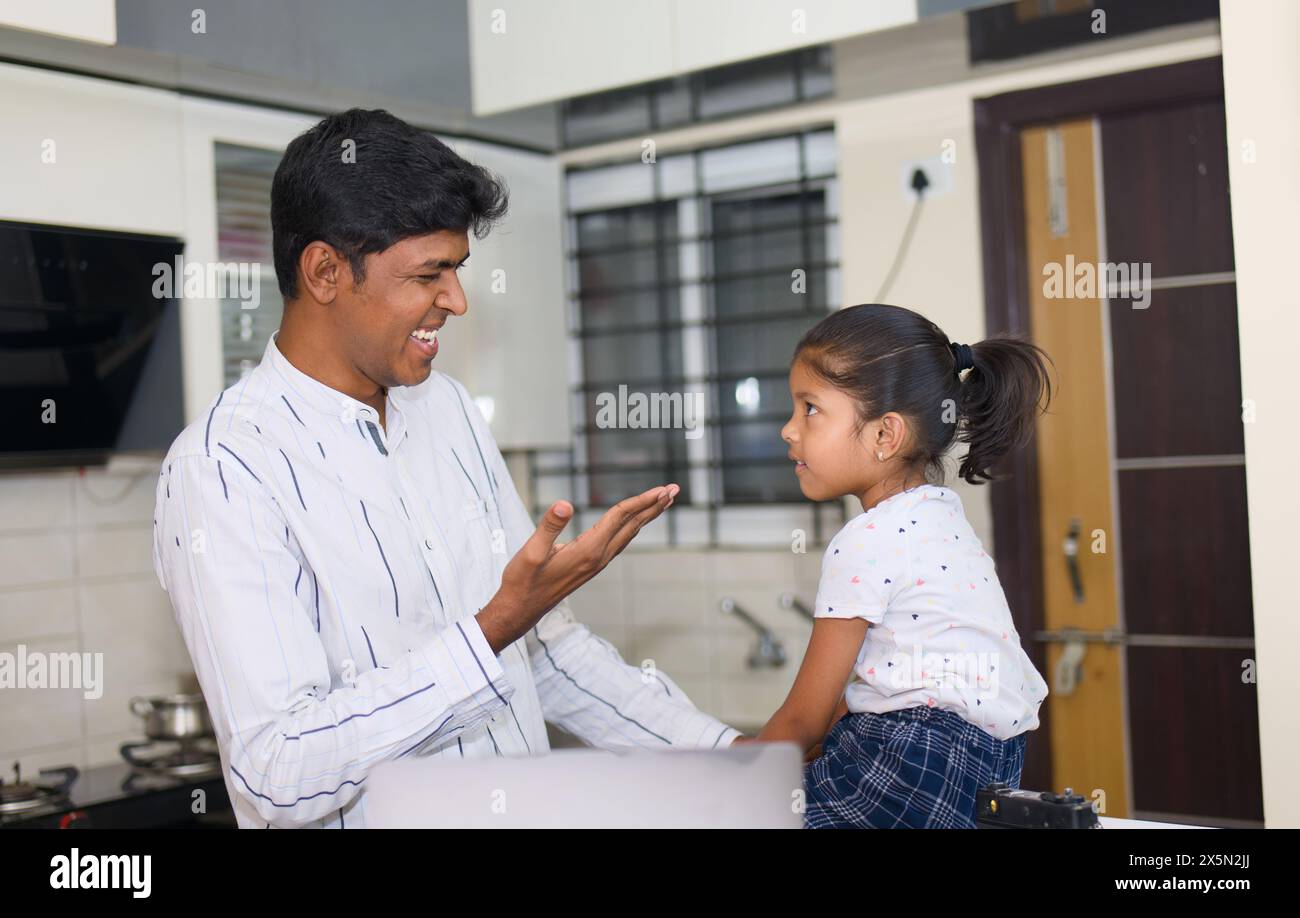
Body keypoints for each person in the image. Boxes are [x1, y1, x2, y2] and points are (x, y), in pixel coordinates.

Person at [151, 108, 740, 829]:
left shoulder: (448, 409)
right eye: (429, 274)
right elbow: (276, 771)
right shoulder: (225, 465)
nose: (455, 302)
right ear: (326, 271)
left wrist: (731, 754)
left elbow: (547, 657)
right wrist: (490, 630)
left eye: (456, 271)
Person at [735, 303, 1053, 828]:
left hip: (911, 761)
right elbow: (874, 688)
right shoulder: (943, 519)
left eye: (809, 408)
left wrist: (740, 772)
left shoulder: (866, 540)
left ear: (886, 435)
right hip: (993, 767)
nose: (788, 431)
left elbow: (805, 719)